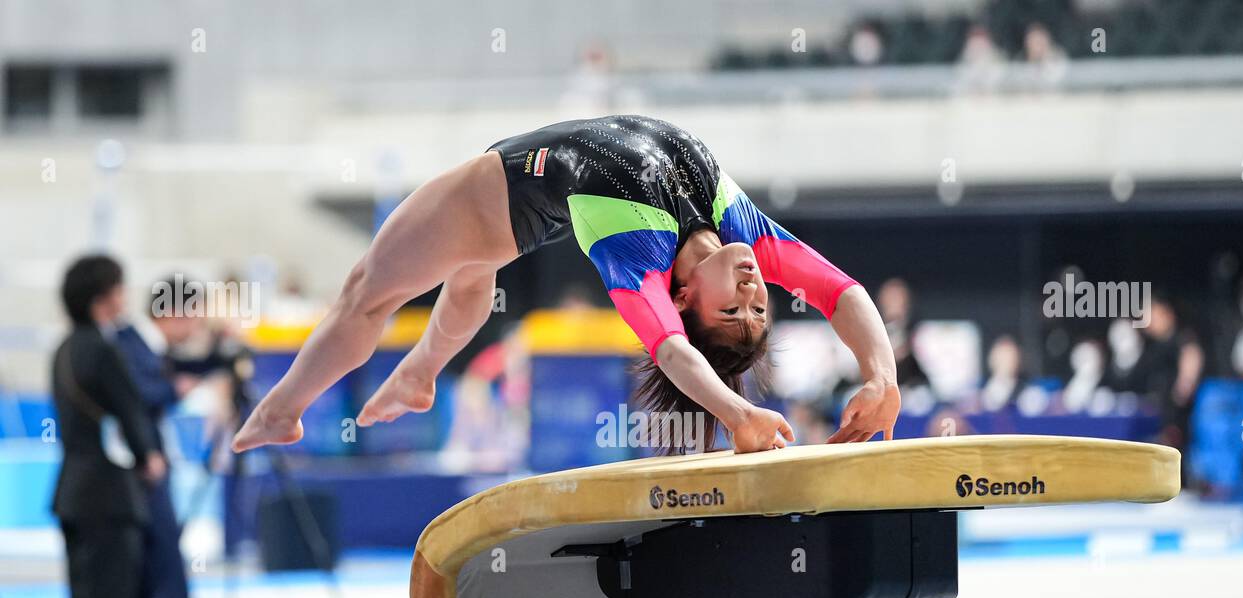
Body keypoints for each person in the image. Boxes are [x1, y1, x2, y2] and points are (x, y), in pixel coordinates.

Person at [231, 115, 899, 456]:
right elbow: (841, 292)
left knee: (366, 292)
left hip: (497, 195)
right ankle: (421, 372)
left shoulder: (637, 252)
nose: (754, 289)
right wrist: (880, 374)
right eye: (760, 308)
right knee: (470, 280)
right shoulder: (740, 228)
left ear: (684, 299)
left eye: (734, 310)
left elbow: (671, 351)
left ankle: (282, 409)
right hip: (524, 201)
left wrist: (736, 414)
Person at [50, 255, 166, 598]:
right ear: (104, 296)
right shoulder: (104, 349)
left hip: (72, 493)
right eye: (119, 289)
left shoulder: (63, 349)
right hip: (108, 498)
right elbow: (131, 411)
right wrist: (150, 456)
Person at [112, 275, 234, 598]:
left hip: (145, 481)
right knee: (153, 587)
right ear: (174, 313)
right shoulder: (127, 345)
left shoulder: (150, 349)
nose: (196, 326)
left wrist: (219, 357)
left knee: (157, 588)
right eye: (194, 316)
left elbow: (177, 372)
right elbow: (144, 393)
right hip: (134, 482)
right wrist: (184, 383)